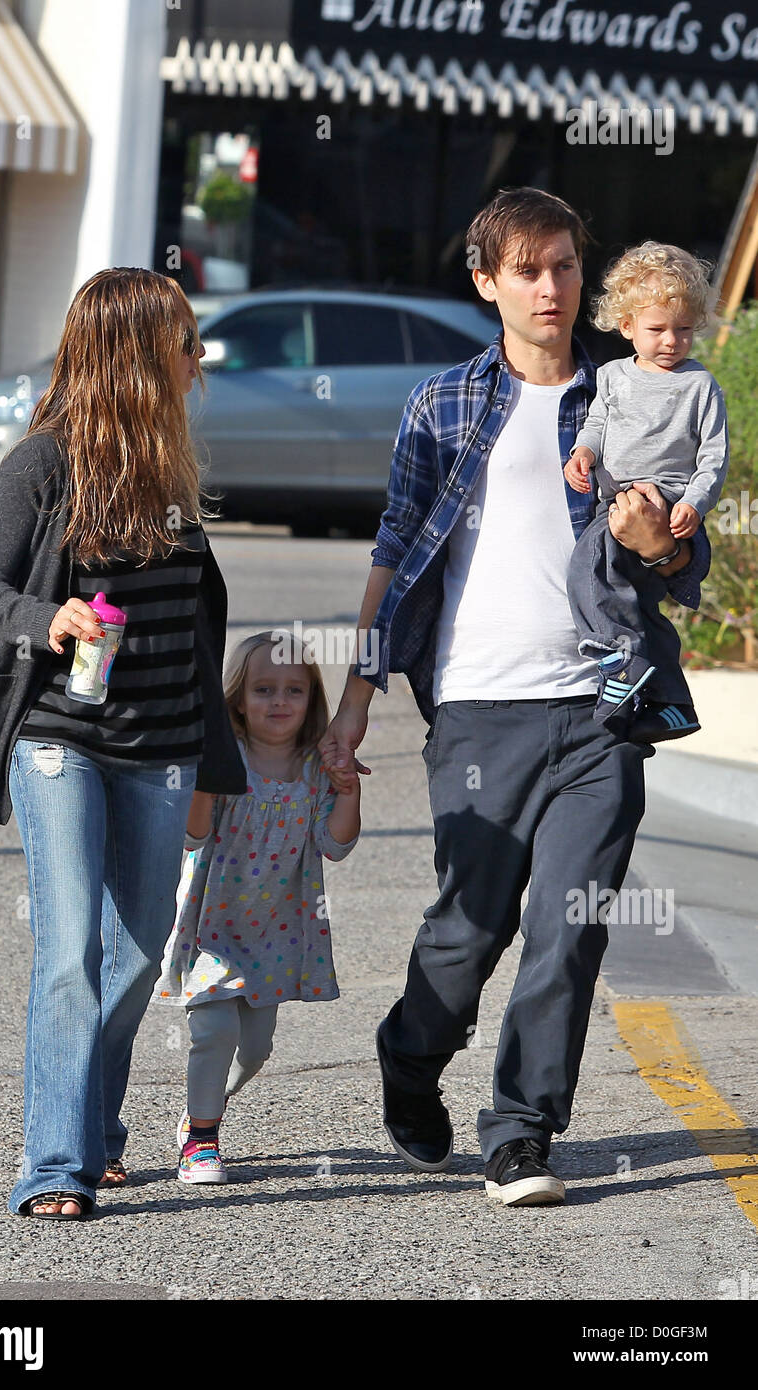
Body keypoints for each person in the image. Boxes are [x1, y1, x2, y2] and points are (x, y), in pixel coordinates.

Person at [318, 187, 711, 1207]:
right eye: (527, 270)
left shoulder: (635, 394)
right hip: (477, 708)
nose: (550, 287)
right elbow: (395, 552)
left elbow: (684, 555)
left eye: (565, 266)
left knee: (569, 928)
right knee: (469, 929)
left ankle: (520, 1133)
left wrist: (660, 544)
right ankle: (412, 1051)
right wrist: (354, 699)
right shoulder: (445, 402)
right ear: (485, 281)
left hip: (603, 705)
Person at [0, 268, 247, 1219]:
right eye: (184, 342)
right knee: (69, 952)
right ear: (134, 354)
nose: (199, 359)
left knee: (138, 956)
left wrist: (212, 762)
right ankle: (55, 1164)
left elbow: (193, 625)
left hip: (164, 746)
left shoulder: (171, 468)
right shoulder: (42, 463)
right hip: (59, 739)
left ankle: (95, 1125)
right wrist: (50, 616)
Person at [154, 631, 361, 1183]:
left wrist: (347, 788)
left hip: (275, 929)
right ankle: (201, 1139)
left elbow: (336, 844)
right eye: (264, 689)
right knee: (214, 1031)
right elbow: (194, 834)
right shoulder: (229, 758)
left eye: (294, 689)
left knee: (256, 1049)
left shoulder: (315, 768)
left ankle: (202, 1108)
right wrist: (205, 776)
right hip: (211, 924)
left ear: (312, 699)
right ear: (239, 700)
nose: (279, 701)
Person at [565, 241, 729, 743]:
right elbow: (596, 425)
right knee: (636, 602)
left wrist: (693, 505)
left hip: (667, 505)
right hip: (615, 503)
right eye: (657, 329)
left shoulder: (700, 386)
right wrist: (582, 453)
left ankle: (619, 660)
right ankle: (675, 704)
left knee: (586, 571)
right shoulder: (612, 377)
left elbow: (713, 458)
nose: (672, 342)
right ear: (626, 326)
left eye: (684, 329)